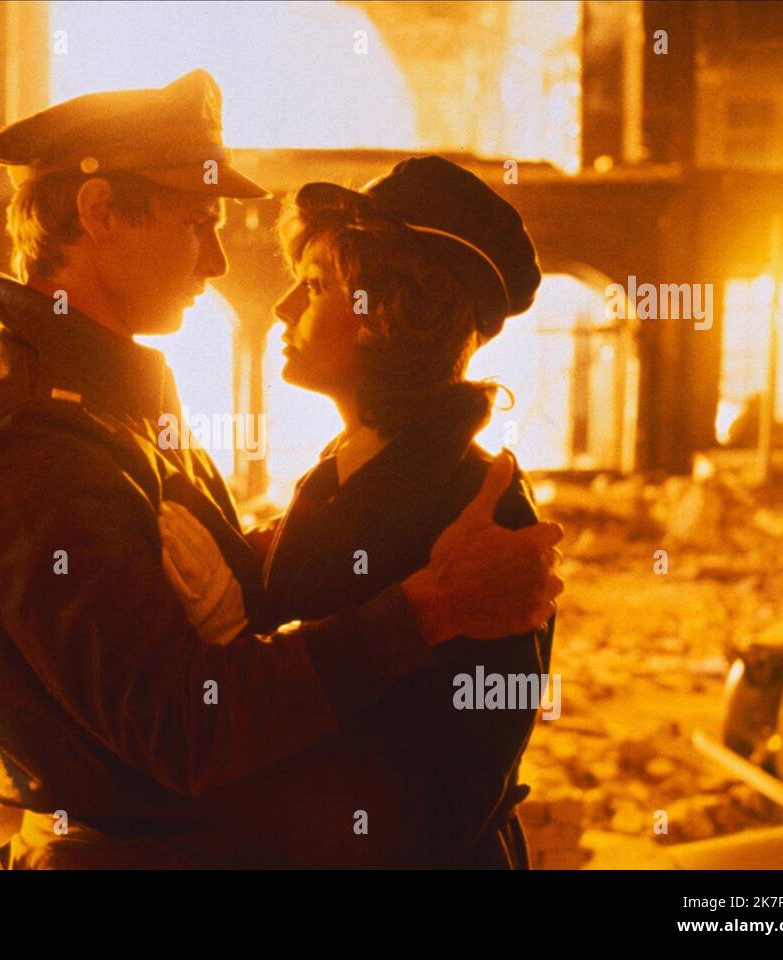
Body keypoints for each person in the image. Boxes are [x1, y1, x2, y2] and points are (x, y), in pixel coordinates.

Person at [0, 70, 563, 868]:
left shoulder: (107, 398)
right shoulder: (32, 436)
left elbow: (445, 784)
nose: (220, 263)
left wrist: (259, 552)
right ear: (102, 212)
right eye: (199, 222)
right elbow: (185, 723)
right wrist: (421, 609)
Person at [183, 156, 554, 866]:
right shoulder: (350, 469)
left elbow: (447, 799)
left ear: (389, 318)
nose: (286, 308)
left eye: (317, 286)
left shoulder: (478, 510)